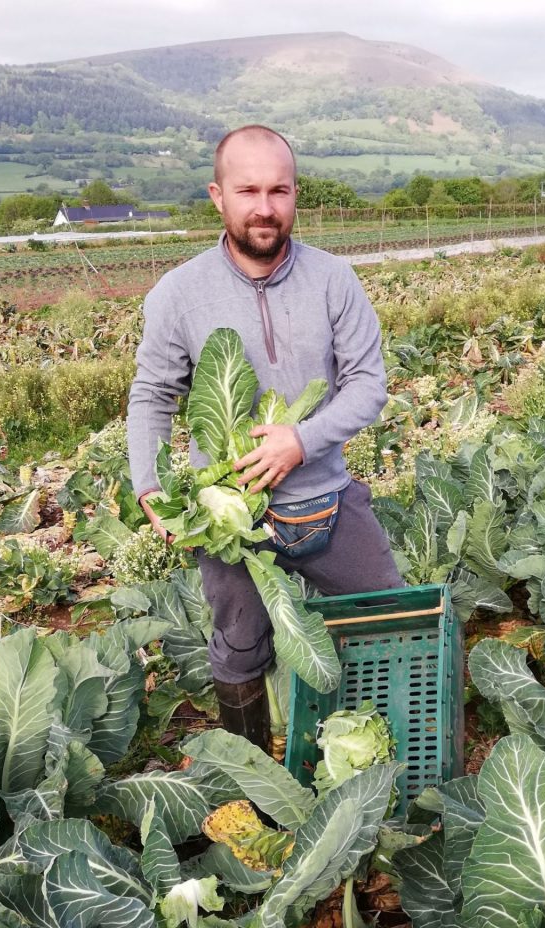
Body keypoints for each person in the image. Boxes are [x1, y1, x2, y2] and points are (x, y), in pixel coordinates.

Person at [127, 125, 403, 752]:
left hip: (327, 498)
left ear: (295, 195)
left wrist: (300, 441)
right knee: (240, 646)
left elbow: (366, 385)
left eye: (278, 190)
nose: (264, 207)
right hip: (232, 519)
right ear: (217, 195)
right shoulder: (179, 294)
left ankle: (394, 752)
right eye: (247, 189)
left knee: (390, 615)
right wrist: (149, 485)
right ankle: (256, 786)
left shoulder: (334, 280)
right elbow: (151, 396)